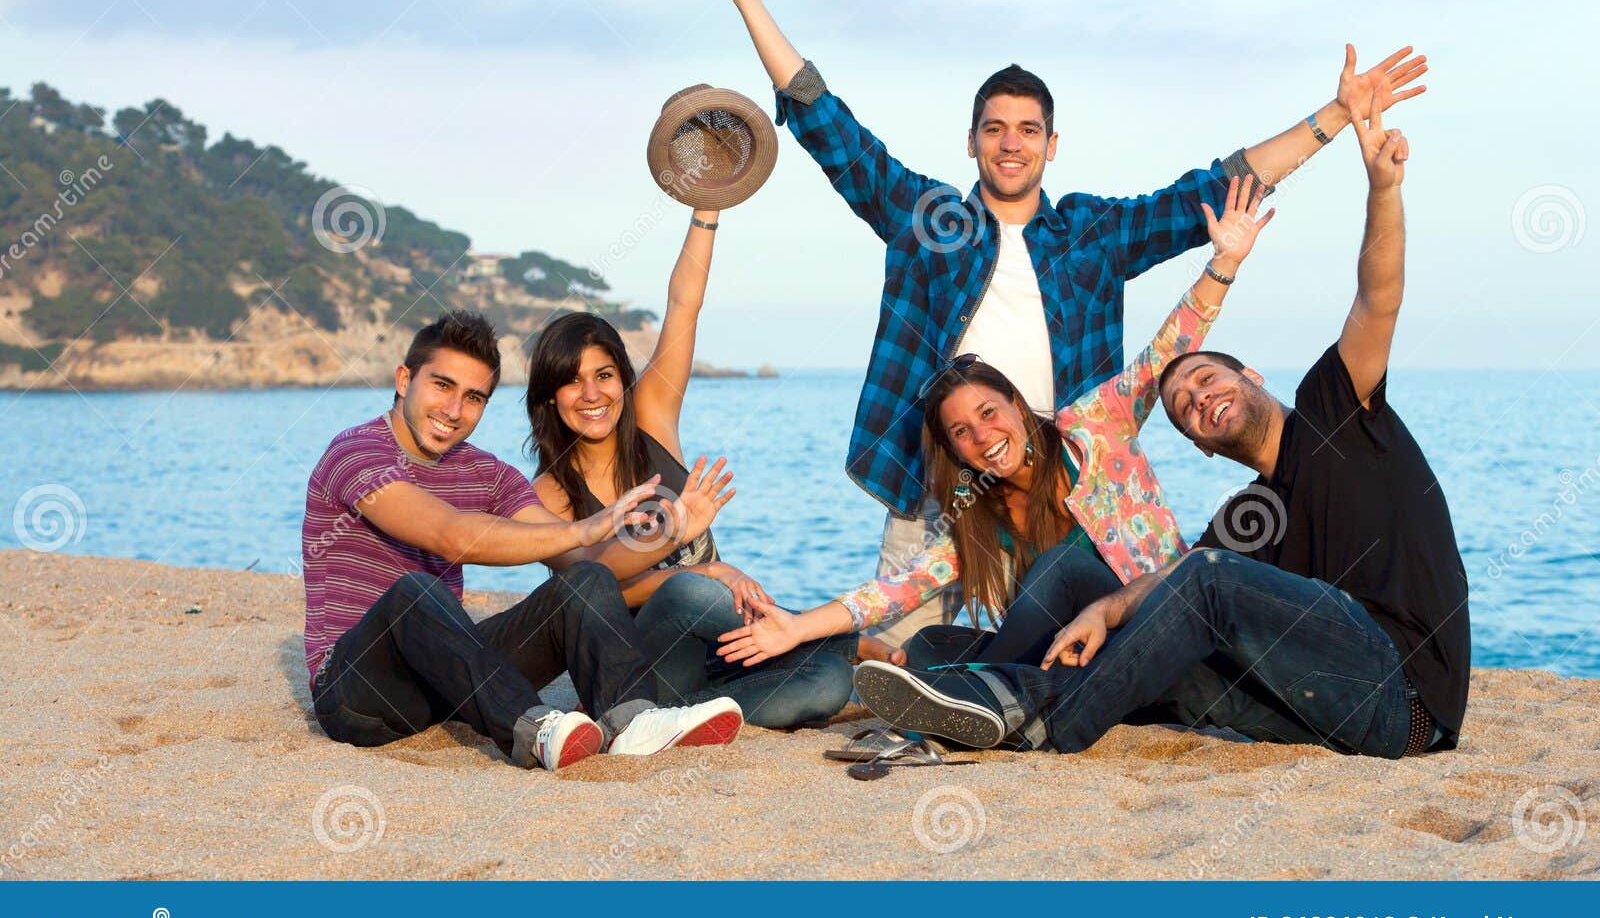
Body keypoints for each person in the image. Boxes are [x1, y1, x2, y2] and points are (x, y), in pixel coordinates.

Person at [706, 0, 1429, 647]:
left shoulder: (1091, 234)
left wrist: (1335, 114)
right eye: (994, 128)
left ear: (1052, 144)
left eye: (1027, 129)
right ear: (972, 141)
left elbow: (1215, 188)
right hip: (941, 481)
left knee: (1076, 635)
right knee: (892, 641)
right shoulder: (930, 218)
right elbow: (830, 130)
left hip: (1066, 480)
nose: (1010, 143)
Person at [852, 96, 1471, 759]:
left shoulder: (1339, 412)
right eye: (1181, 408)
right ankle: (952, 673)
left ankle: (1032, 717)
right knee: (1062, 589)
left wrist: (1383, 190)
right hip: (1302, 703)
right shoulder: (1249, 517)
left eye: (1206, 380)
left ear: (1251, 375)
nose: (1197, 399)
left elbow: (1379, 298)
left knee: (1203, 577)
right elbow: (1169, 586)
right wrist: (1109, 608)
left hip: (1399, 699)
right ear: (1202, 447)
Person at [716, 175, 1274, 677]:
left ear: (1018, 406)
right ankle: (975, 691)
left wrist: (1223, 262)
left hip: (1160, 633)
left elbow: (1165, 352)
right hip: (1078, 663)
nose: (982, 435)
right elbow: (893, 591)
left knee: (1057, 571)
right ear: (956, 454)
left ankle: (987, 697)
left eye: (988, 413)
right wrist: (794, 625)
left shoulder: (1096, 428)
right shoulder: (976, 519)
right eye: (961, 433)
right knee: (932, 643)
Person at [302, 310, 743, 773]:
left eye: (473, 397)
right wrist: (584, 526)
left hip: (445, 684)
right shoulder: (356, 452)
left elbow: (587, 561)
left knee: (584, 579)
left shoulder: (486, 473)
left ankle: (632, 720)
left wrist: (671, 532)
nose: (454, 411)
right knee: (416, 592)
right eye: (442, 386)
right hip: (357, 692)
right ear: (404, 378)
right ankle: (535, 730)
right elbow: (450, 536)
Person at [526, 210, 858, 729]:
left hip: (713, 655)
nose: (592, 395)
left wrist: (707, 208)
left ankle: (687, 718)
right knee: (691, 593)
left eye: (604, 375)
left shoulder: (652, 422)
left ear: (623, 378)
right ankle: (645, 714)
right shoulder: (547, 495)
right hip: (635, 668)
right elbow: (592, 586)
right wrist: (695, 559)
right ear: (550, 397)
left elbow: (684, 305)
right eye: (572, 382)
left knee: (832, 677)